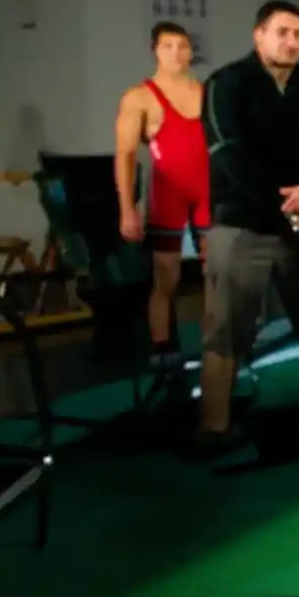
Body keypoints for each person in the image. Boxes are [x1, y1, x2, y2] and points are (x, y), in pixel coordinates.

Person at [197, 0, 299, 450]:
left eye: (298, 34)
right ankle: (215, 426)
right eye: (282, 32)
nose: (292, 41)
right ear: (258, 35)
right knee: (227, 327)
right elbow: (227, 152)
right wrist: (283, 201)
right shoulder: (227, 84)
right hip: (242, 222)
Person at [113, 21, 208, 362]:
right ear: (155, 50)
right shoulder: (139, 97)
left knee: (218, 274)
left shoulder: (206, 93)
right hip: (167, 197)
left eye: (182, 46)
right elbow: (125, 154)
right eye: (168, 46)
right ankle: (163, 349)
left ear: (191, 51)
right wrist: (127, 208)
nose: (176, 53)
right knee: (166, 277)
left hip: (207, 193)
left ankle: (218, 344)